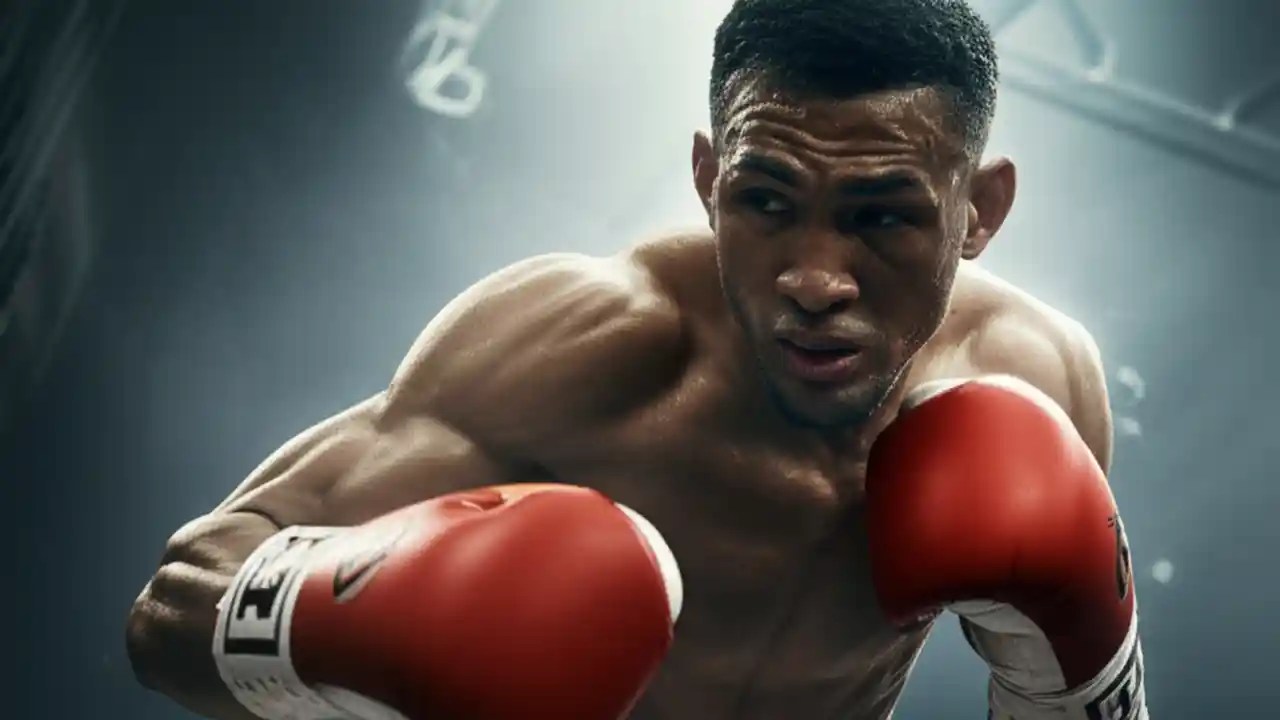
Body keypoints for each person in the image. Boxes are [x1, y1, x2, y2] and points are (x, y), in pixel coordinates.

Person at [125, 1, 1149, 718]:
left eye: (878, 216)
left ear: (980, 211)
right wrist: (365, 611)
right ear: (707, 180)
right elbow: (178, 603)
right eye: (765, 203)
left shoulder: (1038, 383)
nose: (813, 279)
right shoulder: (588, 343)